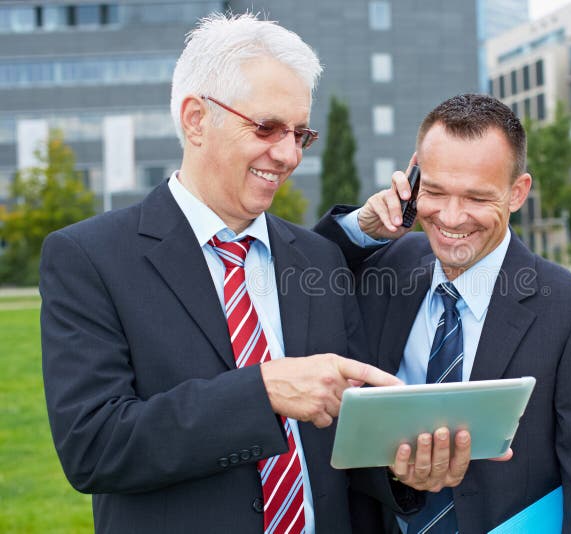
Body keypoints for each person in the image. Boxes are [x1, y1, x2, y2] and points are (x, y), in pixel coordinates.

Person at [39, 13, 407, 534]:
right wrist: (263, 391)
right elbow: (94, 446)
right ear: (195, 118)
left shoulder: (319, 259)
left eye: (300, 133)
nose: (288, 155)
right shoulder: (89, 258)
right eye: (266, 127)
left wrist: (409, 470)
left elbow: (350, 444)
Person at [315, 93, 571, 533]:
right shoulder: (385, 264)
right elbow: (302, 273)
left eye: (476, 197)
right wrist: (364, 226)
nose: (451, 218)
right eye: (434, 191)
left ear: (517, 192)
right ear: (413, 177)